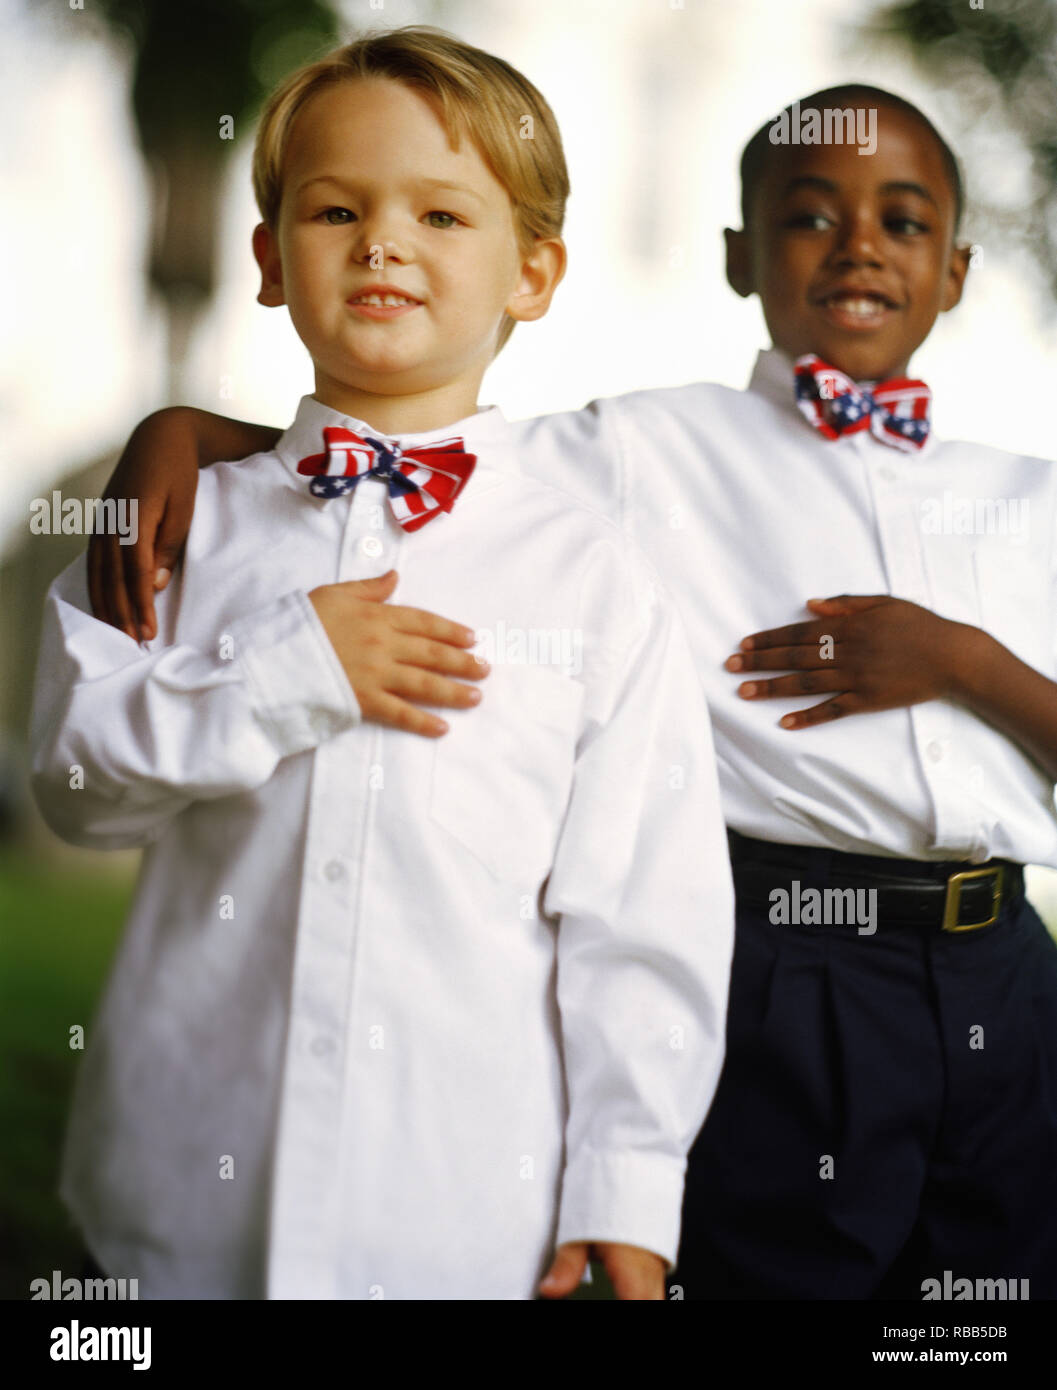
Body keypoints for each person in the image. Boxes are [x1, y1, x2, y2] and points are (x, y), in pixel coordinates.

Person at [96, 80, 1057, 1300]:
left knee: (996, 1296)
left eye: (905, 222)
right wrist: (190, 427)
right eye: (811, 215)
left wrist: (961, 662)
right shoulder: (641, 449)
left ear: (958, 269)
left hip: (1005, 975)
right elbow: (417, 444)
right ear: (737, 255)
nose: (859, 243)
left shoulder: (1031, 497)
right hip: (787, 958)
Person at [29, 27, 735, 1301]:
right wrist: (282, 672)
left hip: (460, 1224)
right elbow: (78, 785)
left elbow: (644, 912)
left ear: (533, 270)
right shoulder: (179, 521)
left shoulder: (593, 576)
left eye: (442, 214)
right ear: (267, 257)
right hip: (173, 1214)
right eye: (337, 207)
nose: (382, 242)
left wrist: (629, 1193)